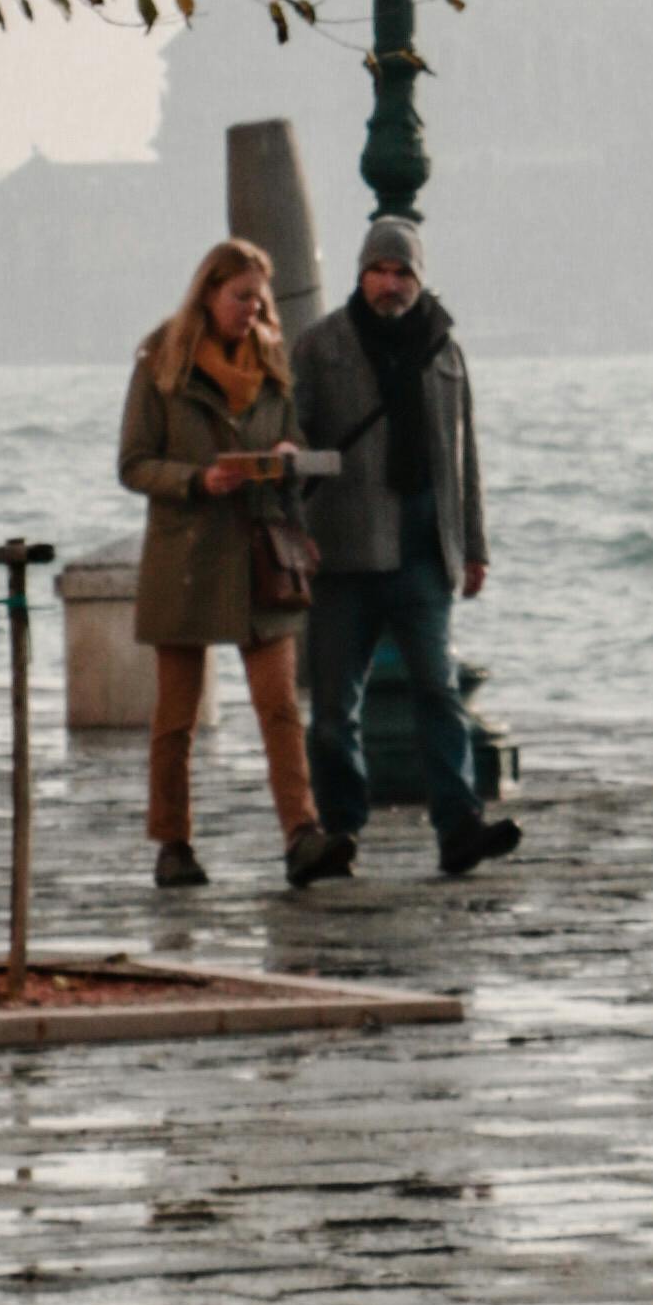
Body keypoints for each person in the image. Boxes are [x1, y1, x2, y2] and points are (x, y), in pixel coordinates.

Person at [291, 216, 520, 884]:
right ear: (361, 274)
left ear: (419, 279)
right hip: (343, 550)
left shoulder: (445, 348)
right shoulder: (321, 346)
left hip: (424, 549)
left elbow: (463, 455)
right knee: (334, 709)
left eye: (403, 273)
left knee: (438, 693)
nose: (391, 284)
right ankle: (340, 831)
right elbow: (293, 443)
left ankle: (458, 828)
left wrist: (473, 546)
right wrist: (290, 528)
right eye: (380, 271)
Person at [119, 238, 333, 894]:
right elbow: (133, 464)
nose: (252, 309)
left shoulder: (271, 359)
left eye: (259, 299)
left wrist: (289, 455)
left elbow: (289, 430)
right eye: (241, 296)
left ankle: (302, 835)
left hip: (259, 553)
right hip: (187, 556)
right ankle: (173, 844)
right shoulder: (161, 361)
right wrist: (195, 480)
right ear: (208, 292)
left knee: (279, 709)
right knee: (176, 718)